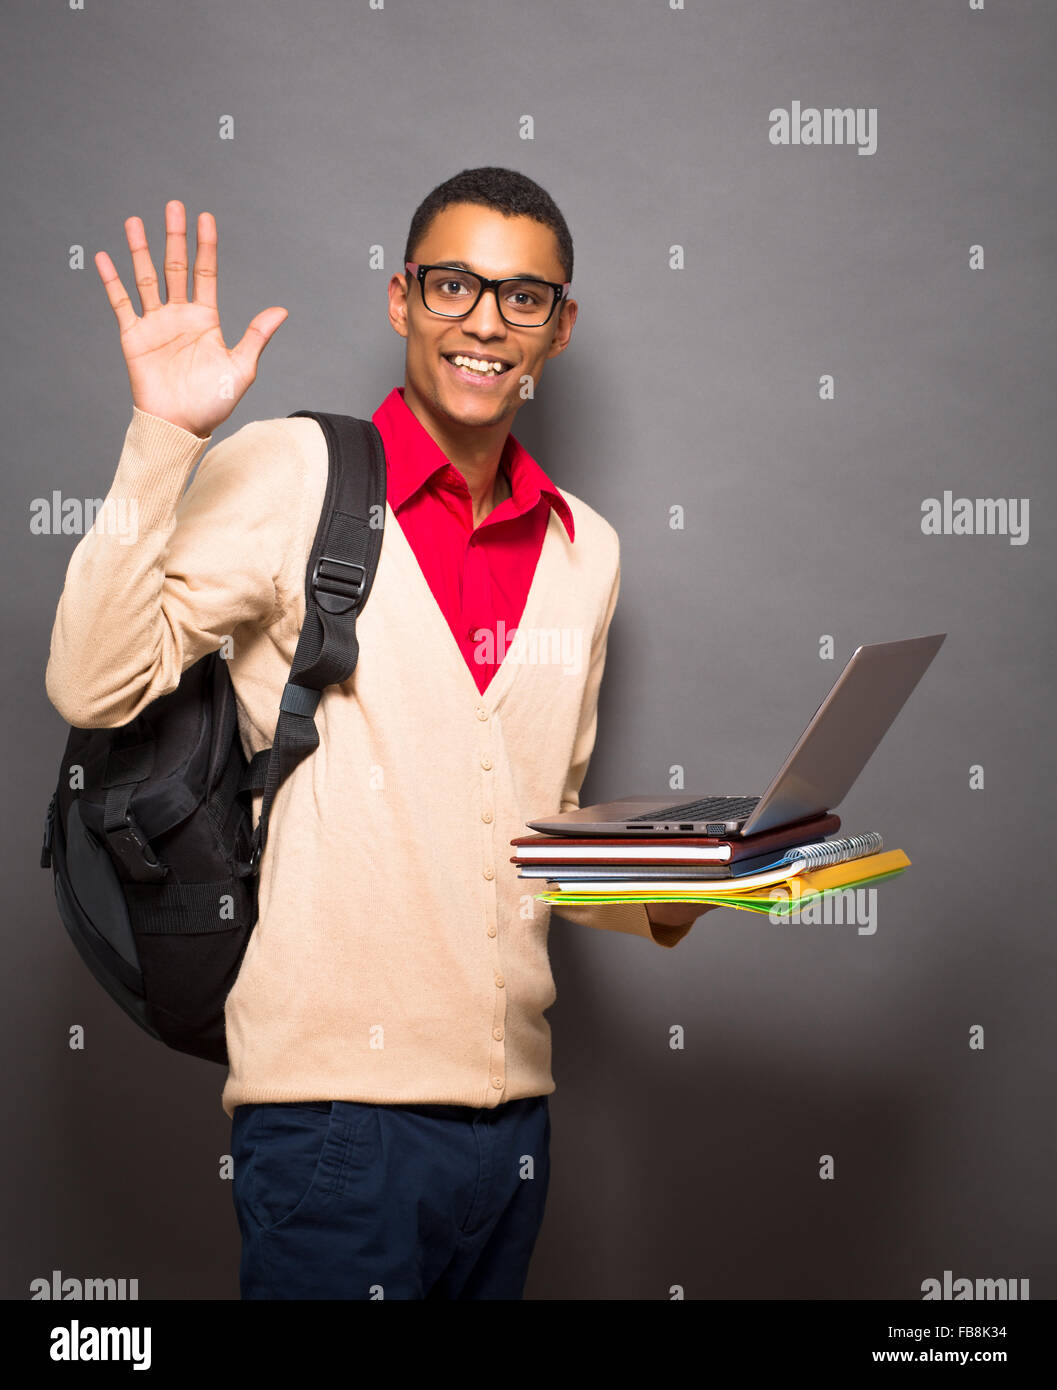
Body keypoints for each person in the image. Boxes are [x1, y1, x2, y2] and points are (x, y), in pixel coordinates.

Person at [45, 166, 713, 1300]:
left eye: (523, 297)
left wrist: (697, 881)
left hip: (511, 1130)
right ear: (401, 298)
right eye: (454, 285)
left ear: (559, 327)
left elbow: (525, 835)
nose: (486, 323)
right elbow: (94, 681)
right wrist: (163, 434)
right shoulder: (300, 474)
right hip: (333, 1126)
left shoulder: (583, 549)